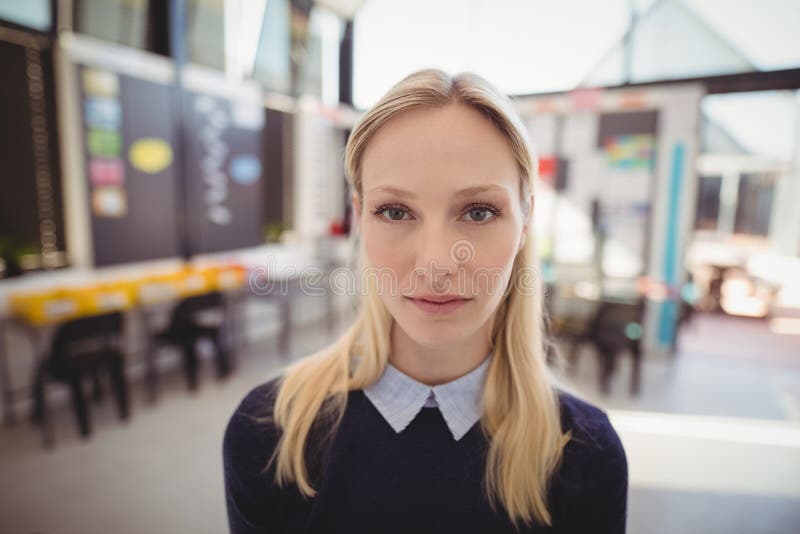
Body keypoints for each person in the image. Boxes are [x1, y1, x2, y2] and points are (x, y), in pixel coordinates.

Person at [222, 68, 628, 533]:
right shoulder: (271, 432)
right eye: (394, 211)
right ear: (361, 217)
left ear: (525, 219)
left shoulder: (585, 453)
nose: (436, 264)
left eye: (479, 212)